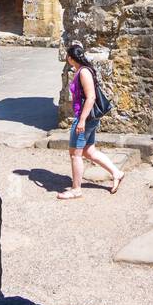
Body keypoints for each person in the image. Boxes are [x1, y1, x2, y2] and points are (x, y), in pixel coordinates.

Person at [58, 42, 124, 200]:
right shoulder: (81, 71)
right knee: (89, 151)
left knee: (75, 154)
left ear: (70, 57)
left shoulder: (83, 72)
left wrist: (81, 121)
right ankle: (117, 173)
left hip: (85, 118)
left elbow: (91, 97)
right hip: (88, 118)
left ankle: (76, 189)